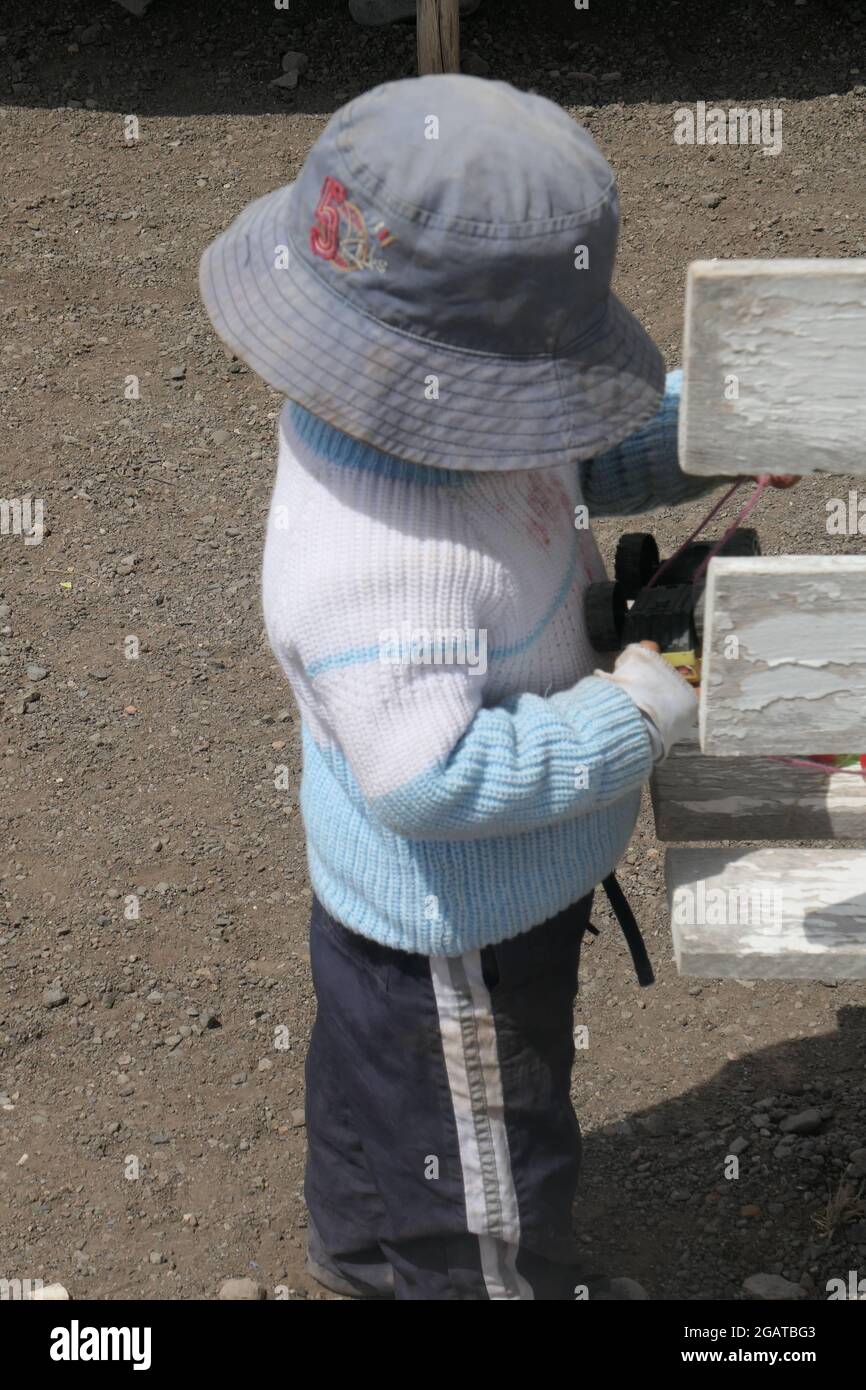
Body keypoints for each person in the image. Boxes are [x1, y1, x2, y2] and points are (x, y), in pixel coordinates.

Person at [198, 74, 757, 1300]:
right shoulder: (371, 565)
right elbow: (430, 777)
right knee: (480, 1172)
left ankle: (357, 1262)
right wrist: (633, 709)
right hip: (455, 928)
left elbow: (570, 456)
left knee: (376, 1104)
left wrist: (720, 422)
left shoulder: (427, 412)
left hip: (424, 911)